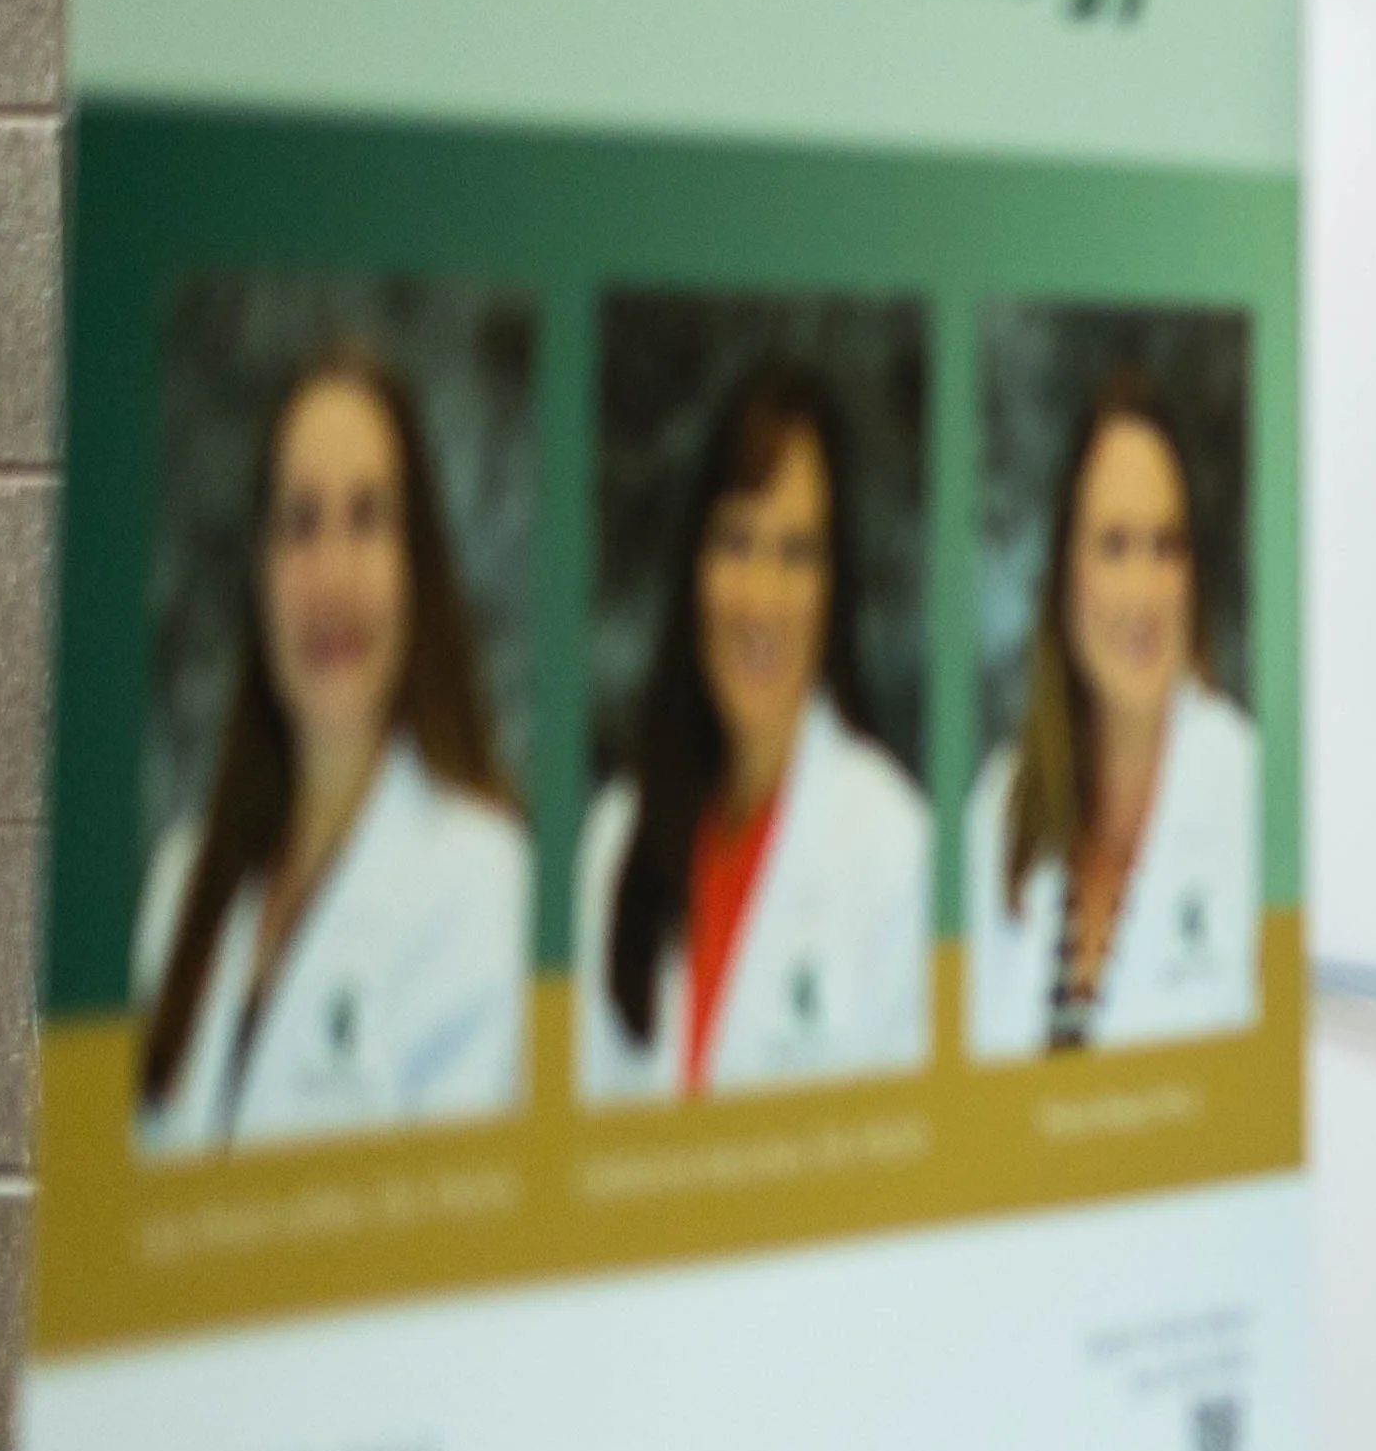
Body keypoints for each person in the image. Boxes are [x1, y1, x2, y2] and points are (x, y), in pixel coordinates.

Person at [133, 348, 529, 1155]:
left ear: (416, 565)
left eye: (367, 519)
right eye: (300, 522)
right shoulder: (181, 886)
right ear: (260, 572)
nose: (331, 577)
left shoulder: (484, 886)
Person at [575, 362, 930, 1103]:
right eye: (735, 542)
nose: (761, 599)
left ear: (833, 589)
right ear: (694, 570)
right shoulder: (615, 839)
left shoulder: (897, 852)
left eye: (796, 553)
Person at [965, 380, 1260, 1061]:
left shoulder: (1254, 798)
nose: (1144, 588)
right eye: (1115, 545)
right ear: (1066, 571)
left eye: (1167, 546)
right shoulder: (995, 812)